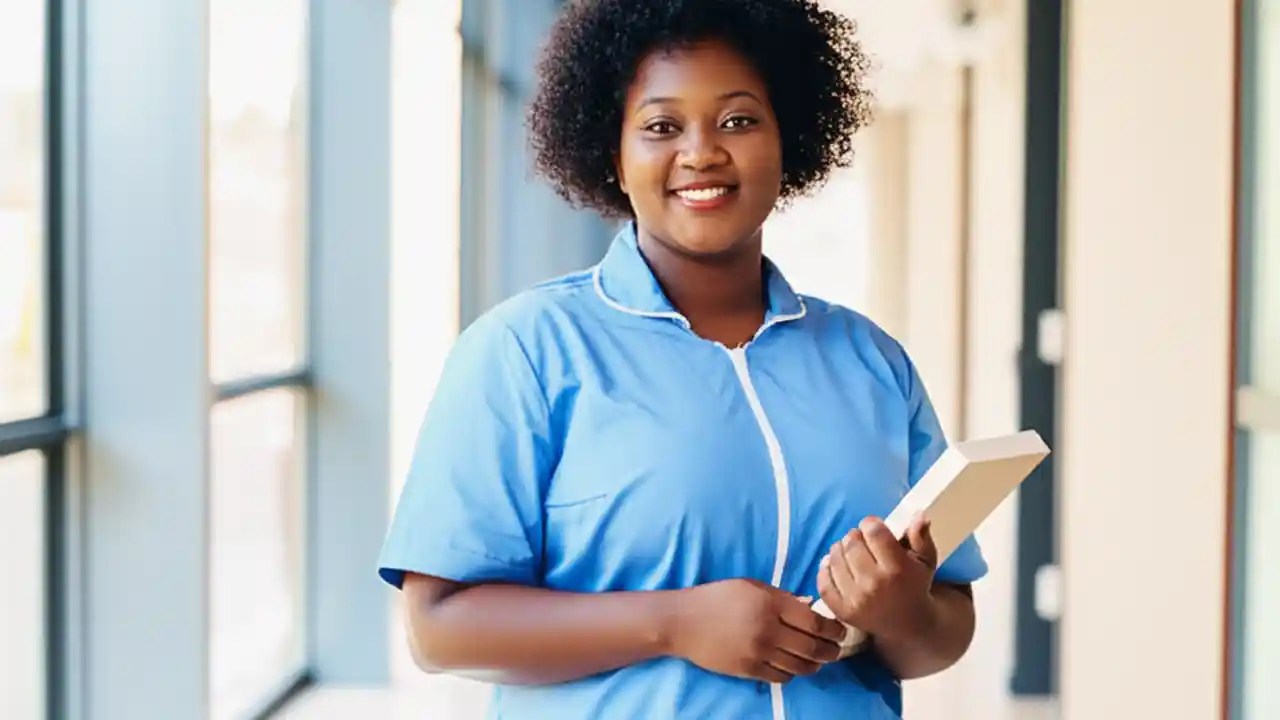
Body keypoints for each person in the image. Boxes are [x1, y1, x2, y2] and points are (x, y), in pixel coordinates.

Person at [377, 0, 987, 717]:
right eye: (661, 127)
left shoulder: (871, 362)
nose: (701, 152)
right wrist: (675, 623)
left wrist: (902, 612)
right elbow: (439, 628)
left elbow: (944, 628)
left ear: (787, 137)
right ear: (614, 153)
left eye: (738, 120)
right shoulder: (524, 351)